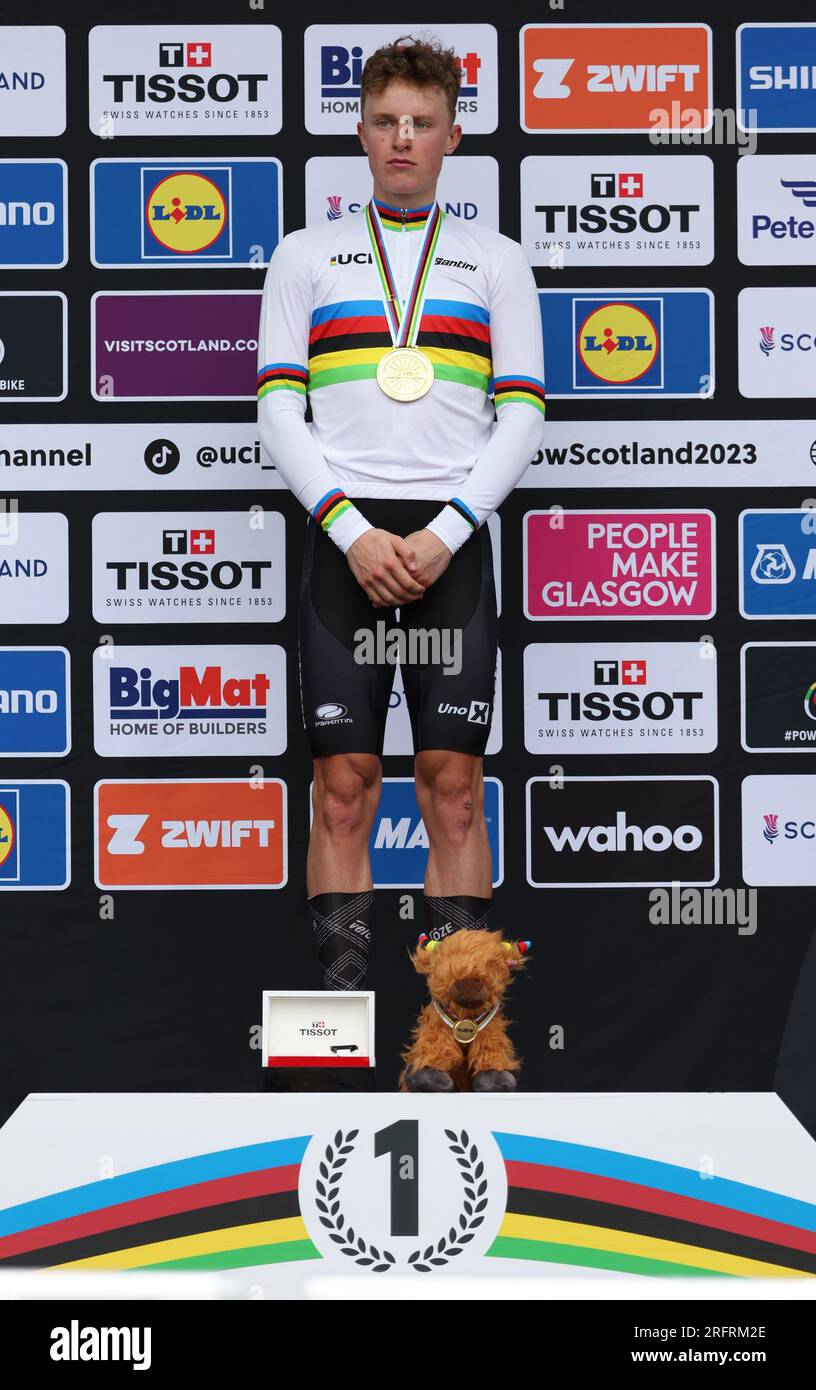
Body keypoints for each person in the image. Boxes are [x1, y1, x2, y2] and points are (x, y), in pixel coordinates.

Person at [257, 35, 546, 992]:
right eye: (385, 122)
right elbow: (276, 410)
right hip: (347, 540)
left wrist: (442, 533)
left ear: (453, 136)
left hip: (448, 543)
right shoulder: (306, 256)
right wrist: (352, 530)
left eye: (422, 124)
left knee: (453, 795)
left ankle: (459, 1043)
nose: (402, 140)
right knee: (343, 793)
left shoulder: (497, 262)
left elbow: (524, 412)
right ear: (360, 130)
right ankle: (339, 1029)